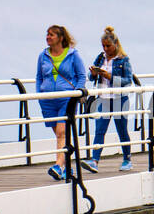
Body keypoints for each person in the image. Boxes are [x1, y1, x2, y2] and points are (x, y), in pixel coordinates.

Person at [37, 25, 89, 181]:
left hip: (66, 98)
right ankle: (66, 166)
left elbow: (81, 76)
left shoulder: (73, 55)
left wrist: (77, 92)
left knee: (61, 133)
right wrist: (40, 94)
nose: (48, 37)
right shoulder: (43, 55)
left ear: (60, 37)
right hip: (47, 100)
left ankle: (58, 166)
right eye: (47, 34)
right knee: (60, 135)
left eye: (51, 35)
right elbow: (39, 76)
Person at [85, 27, 135, 172]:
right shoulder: (100, 57)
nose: (105, 49)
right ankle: (94, 160)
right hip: (103, 98)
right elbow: (91, 77)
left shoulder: (123, 59)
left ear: (115, 44)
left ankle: (127, 159)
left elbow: (128, 80)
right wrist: (94, 73)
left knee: (122, 130)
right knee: (100, 130)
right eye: (103, 46)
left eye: (108, 46)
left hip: (119, 99)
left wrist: (110, 77)